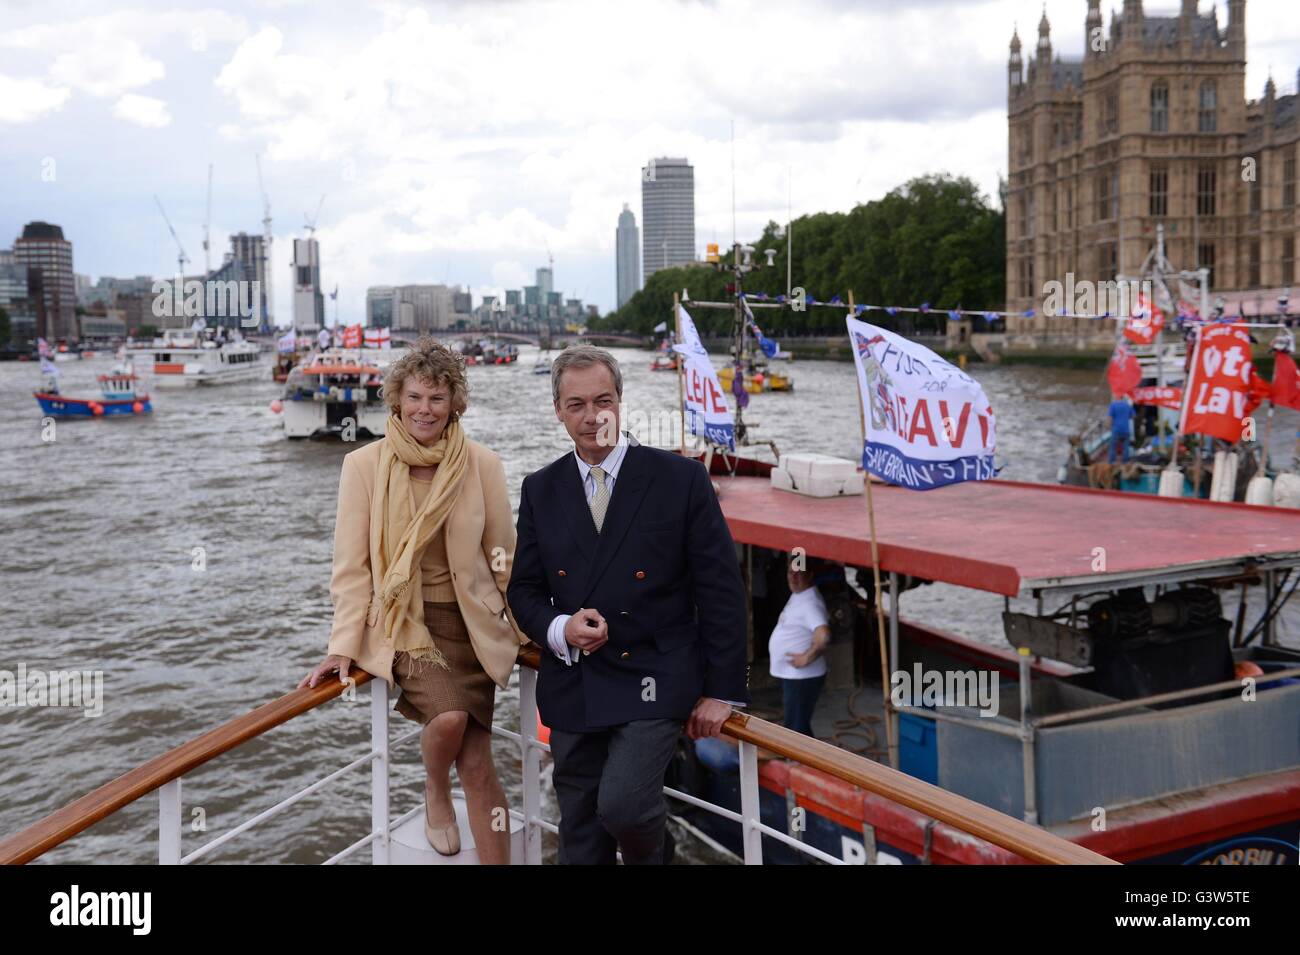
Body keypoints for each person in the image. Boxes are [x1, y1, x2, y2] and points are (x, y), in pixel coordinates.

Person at [507, 344, 749, 865]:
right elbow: (523, 591)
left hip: (656, 676)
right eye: (576, 405)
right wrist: (562, 628)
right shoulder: (540, 489)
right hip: (575, 681)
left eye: (603, 400)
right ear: (557, 411)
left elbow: (721, 590)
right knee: (579, 827)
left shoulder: (680, 479)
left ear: (621, 401)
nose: (592, 417)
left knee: (624, 806)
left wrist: (724, 691)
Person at [299, 336, 525, 863]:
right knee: (448, 720)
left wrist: (530, 624)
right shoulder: (363, 466)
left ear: (454, 405)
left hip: (472, 625)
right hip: (406, 623)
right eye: (417, 397)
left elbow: (502, 557)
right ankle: (434, 789)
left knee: (478, 763)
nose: (426, 409)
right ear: (397, 400)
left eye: (438, 399)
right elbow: (351, 567)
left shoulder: (482, 464)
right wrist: (342, 645)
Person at [768, 558, 831, 737]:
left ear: (810, 575)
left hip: (802, 677)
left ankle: (800, 763)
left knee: (797, 729)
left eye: (799, 574)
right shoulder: (800, 594)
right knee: (796, 723)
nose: (793, 578)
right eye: (790, 573)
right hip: (795, 676)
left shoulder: (810, 603)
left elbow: (824, 635)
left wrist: (806, 658)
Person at [1107, 394, 1134, 463]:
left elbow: (1110, 418)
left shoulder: (1113, 406)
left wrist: (1109, 427)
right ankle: (1125, 462)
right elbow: (1133, 416)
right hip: (1126, 429)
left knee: (1113, 446)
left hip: (1116, 429)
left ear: (1116, 397)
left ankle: (1111, 462)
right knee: (1125, 447)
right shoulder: (1127, 405)